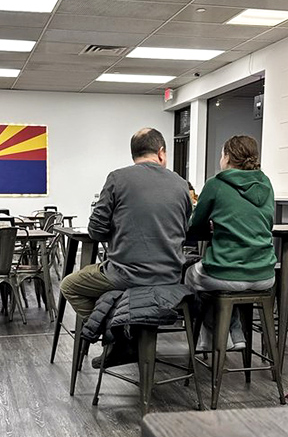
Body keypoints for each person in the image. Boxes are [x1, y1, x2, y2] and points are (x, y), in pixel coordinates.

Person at [60, 127, 191, 324]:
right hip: (171, 276)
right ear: (161, 152)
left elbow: (95, 231)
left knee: (69, 285)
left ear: (133, 154)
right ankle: (125, 324)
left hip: (126, 275)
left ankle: (113, 332)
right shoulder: (181, 184)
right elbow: (184, 226)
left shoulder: (117, 178)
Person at [185, 135, 276, 350]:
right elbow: (267, 223)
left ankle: (213, 335)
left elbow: (195, 225)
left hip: (227, 273)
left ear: (227, 157)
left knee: (192, 275)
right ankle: (232, 336)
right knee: (224, 282)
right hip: (265, 275)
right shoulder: (266, 183)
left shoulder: (216, 184)